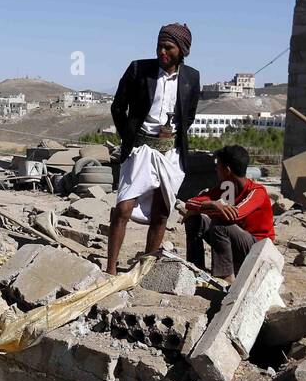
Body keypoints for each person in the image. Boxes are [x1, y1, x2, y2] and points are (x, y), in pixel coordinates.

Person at [105, 22, 201, 275]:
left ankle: (145, 268)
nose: (162, 52)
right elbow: (118, 106)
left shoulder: (192, 77)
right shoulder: (139, 69)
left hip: (170, 152)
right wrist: (128, 136)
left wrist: (174, 134)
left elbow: (189, 115)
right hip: (140, 149)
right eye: (159, 46)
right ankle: (111, 269)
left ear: (182, 49)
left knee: (161, 213)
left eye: (168, 47)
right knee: (123, 208)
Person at [182, 144, 274, 281]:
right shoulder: (227, 189)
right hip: (238, 239)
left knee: (219, 225)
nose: (216, 169)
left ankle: (225, 277)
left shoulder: (257, 192)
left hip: (259, 247)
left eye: (218, 166)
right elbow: (191, 202)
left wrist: (204, 209)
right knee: (195, 220)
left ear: (227, 170)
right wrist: (209, 205)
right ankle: (195, 269)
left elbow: (235, 215)